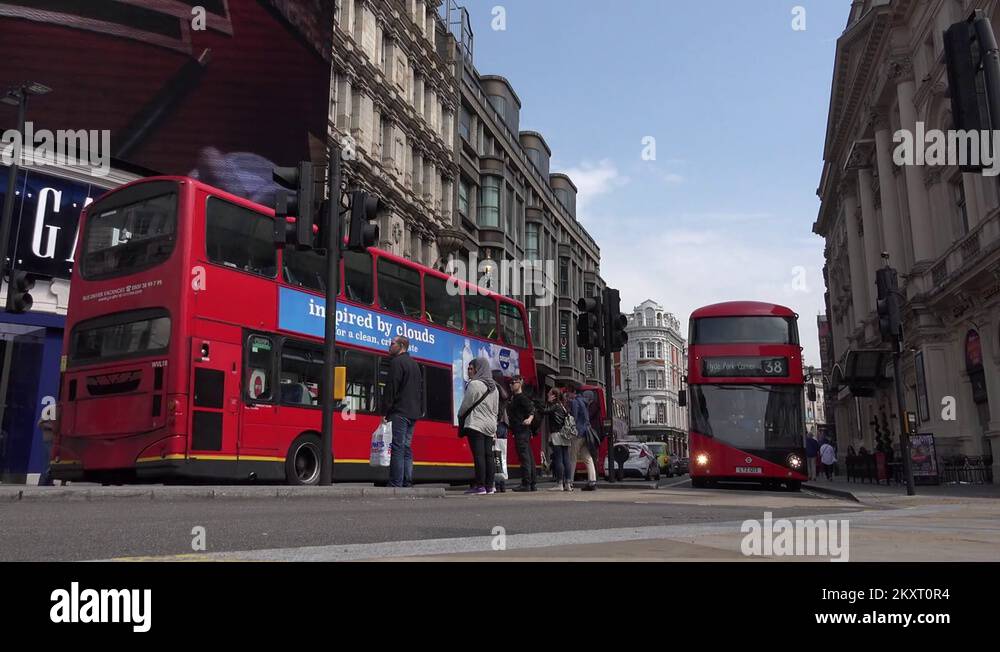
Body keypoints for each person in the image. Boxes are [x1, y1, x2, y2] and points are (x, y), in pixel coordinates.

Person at [382, 335, 423, 488]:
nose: (389, 346)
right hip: (414, 413)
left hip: (400, 412)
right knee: (406, 446)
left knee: (398, 446)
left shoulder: (397, 363)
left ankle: (395, 482)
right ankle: (407, 480)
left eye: (392, 343)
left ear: (401, 346)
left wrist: (385, 412)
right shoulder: (415, 365)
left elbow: (391, 388)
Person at [458, 357, 499, 495]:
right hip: (490, 425)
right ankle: (490, 486)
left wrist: (460, 415)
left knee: (479, 455)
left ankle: (479, 486)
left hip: (476, 424)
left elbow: (466, 405)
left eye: (472, 367)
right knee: (489, 456)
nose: (470, 370)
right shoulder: (494, 388)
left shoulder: (475, 384)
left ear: (478, 368)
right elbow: (496, 409)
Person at [507, 375, 537, 492]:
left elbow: (531, 409)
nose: (511, 385)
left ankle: (526, 483)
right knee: (528, 456)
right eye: (510, 383)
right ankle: (532, 483)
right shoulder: (515, 398)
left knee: (524, 457)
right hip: (521, 431)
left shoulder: (521, 398)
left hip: (521, 431)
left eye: (513, 382)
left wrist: (529, 419)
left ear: (520, 383)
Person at [543, 388, 575, 491]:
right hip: (565, 434)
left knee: (559, 459)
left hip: (556, 434)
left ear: (554, 396)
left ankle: (560, 484)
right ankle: (568, 484)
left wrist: (547, 402)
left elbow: (544, 411)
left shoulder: (554, 406)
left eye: (549, 394)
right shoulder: (563, 406)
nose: (548, 395)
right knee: (566, 458)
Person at [566, 388, 597, 491]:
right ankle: (592, 481)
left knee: (572, 457)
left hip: (578, 433)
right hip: (586, 434)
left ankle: (569, 482)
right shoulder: (585, 404)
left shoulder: (576, 402)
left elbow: (573, 418)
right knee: (587, 457)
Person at [492, 371, 511, 493]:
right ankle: (502, 483)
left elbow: (497, 410)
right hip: (505, 425)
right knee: (502, 455)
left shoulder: (496, 389)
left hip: (498, 424)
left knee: (495, 454)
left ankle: (496, 483)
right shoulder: (504, 391)